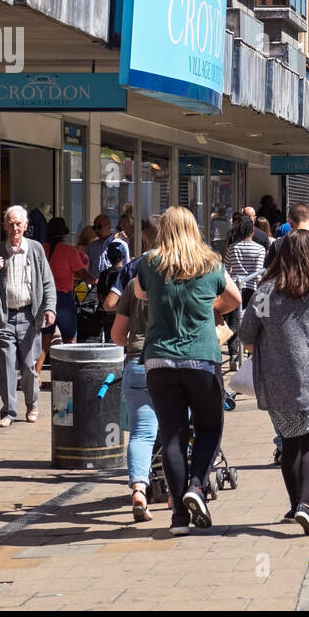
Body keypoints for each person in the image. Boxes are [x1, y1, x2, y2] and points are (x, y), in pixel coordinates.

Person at [238, 230, 309, 535]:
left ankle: (294, 507)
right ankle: (306, 506)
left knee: (290, 441)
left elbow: (246, 333)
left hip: (278, 380)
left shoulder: (265, 292)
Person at [135, 207, 242, 535]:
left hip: (159, 361)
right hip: (201, 359)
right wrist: (212, 307)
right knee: (209, 427)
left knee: (172, 433)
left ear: (164, 229)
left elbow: (140, 293)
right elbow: (235, 298)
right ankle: (197, 486)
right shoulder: (210, 262)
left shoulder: (150, 262)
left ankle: (179, 517)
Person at [0, 206, 58, 426]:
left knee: (28, 366)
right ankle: (8, 412)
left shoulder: (35, 249)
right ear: (5, 225)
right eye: (11, 223)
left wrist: (50, 308)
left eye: (19, 223)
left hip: (29, 316)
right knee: (6, 364)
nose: (15, 227)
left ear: (25, 226)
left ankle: (32, 405)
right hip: (4, 317)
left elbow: (48, 282)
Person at [109, 273, 156, 522]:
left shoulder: (134, 283)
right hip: (172, 364)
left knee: (141, 433)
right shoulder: (184, 278)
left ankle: (139, 488)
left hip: (137, 363)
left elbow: (117, 335)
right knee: (177, 430)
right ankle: (176, 493)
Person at [222, 216, 267, 358]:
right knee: (253, 319)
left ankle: (234, 355)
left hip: (235, 287)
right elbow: (259, 271)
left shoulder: (232, 247)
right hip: (252, 286)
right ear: (252, 231)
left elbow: (227, 267)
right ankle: (250, 354)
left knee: (234, 321)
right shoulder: (259, 249)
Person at [43, 217, 90, 348]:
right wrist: (98, 280)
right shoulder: (69, 251)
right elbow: (84, 275)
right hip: (64, 298)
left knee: (44, 343)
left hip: (46, 298)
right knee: (70, 341)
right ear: (64, 234)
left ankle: (37, 369)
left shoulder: (42, 249)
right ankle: (69, 369)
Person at [86, 214, 130, 281]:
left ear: (109, 226)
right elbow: (87, 269)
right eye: (94, 228)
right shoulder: (91, 247)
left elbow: (126, 268)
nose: (97, 230)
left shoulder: (121, 245)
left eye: (99, 227)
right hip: (95, 288)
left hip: (115, 286)